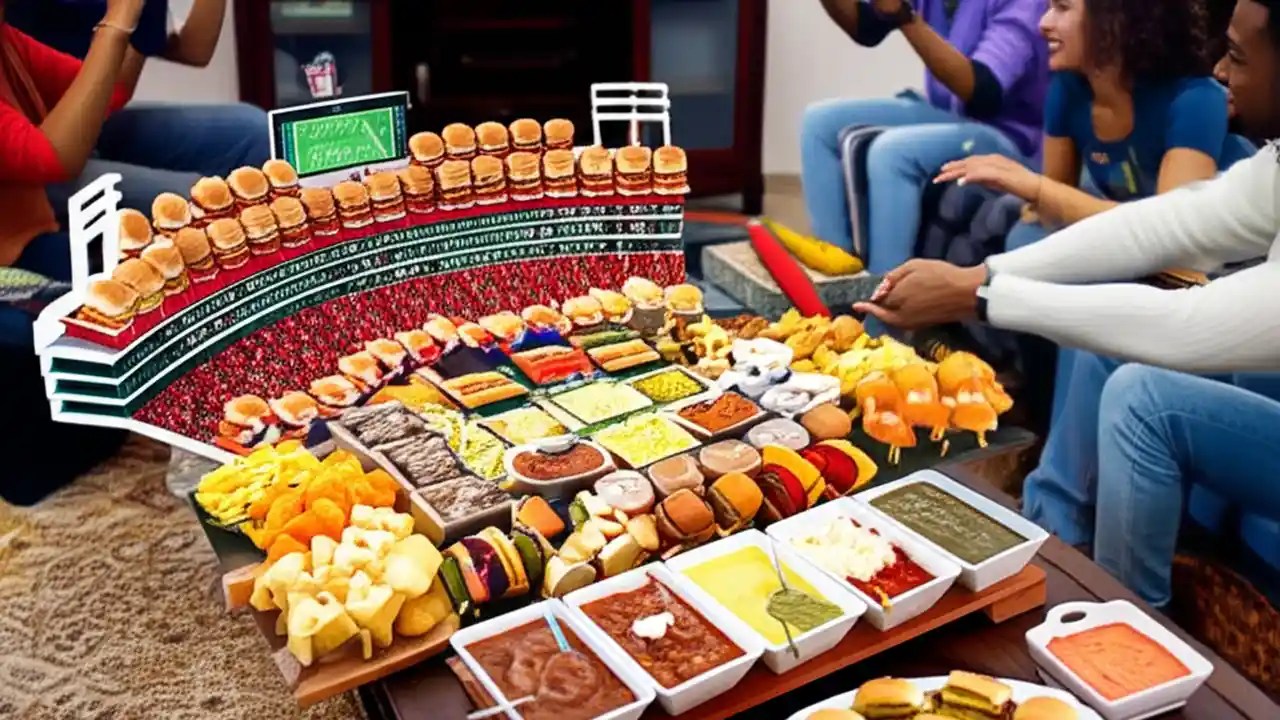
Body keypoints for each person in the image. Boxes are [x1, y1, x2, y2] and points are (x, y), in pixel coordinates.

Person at [854, 0, 1280, 608]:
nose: (1218, 70)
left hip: (1229, 333)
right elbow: (1167, 224)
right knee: (1136, 388)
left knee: (1146, 388)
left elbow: (1193, 324)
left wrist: (979, 297)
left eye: (1237, 56)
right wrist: (985, 273)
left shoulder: (1191, 99)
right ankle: (1103, 598)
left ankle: (1126, 631)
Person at [2, 0, 270, 285]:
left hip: (75, 133)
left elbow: (118, 87)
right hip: (40, 169)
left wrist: (138, 20)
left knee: (253, 128)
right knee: (200, 203)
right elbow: (52, 157)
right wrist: (119, 22)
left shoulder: (9, 44)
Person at [935, 0, 1235, 254]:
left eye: (1062, 8)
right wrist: (1036, 196)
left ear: (1118, 19)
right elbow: (1053, 205)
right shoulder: (1069, 88)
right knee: (1025, 237)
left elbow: (1169, 238)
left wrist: (1035, 187)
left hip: (1209, 263)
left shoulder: (1196, 100)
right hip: (1129, 232)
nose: (1043, 22)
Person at [802, 0, 1048, 271]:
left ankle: (885, 300)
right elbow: (867, 28)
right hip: (949, 117)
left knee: (891, 152)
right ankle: (834, 281)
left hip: (1011, 136)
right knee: (819, 123)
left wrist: (906, 19)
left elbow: (983, 93)